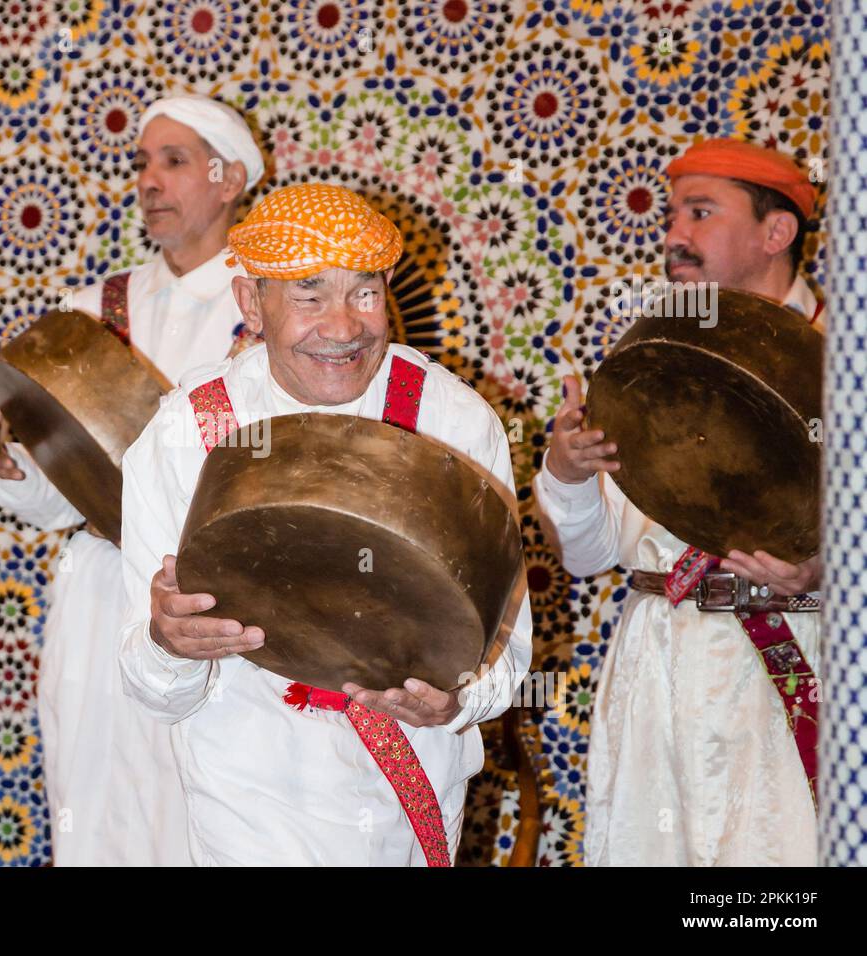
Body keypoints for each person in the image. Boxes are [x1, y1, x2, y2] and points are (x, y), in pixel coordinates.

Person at [118, 182, 532, 865]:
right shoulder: (188, 431)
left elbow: (508, 646)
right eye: (308, 295)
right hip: (249, 799)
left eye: (364, 293)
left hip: (411, 790)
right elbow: (150, 687)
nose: (342, 328)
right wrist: (170, 641)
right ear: (251, 302)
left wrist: (456, 701)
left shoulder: (453, 423)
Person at [0, 95, 265, 865]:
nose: (149, 180)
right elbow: (52, 498)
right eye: (142, 162)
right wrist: (6, 469)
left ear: (229, 177)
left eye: (172, 161)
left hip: (217, 598)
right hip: (102, 598)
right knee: (95, 804)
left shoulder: (272, 308)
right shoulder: (88, 315)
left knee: (203, 807)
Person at [533, 138, 823, 866]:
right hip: (656, 658)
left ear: (776, 231)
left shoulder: (844, 356)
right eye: (671, 214)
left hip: (800, 657)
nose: (673, 234)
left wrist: (827, 574)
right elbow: (590, 555)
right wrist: (569, 472)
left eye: (700, 212)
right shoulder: (655, 354)